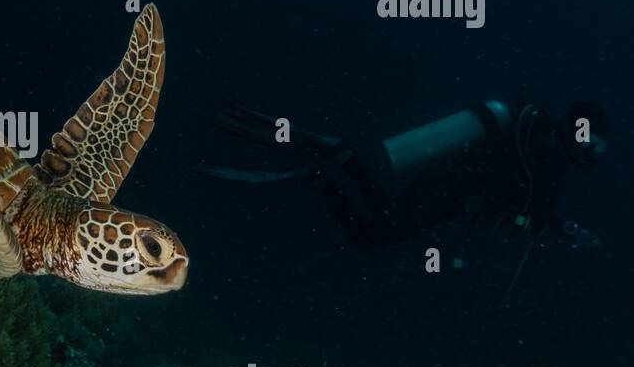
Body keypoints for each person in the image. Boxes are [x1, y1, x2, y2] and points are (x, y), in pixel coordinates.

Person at [194, 99, 607, 249]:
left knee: (372, 234)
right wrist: (562, 229)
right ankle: (340, 159)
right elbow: (534, 207)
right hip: (453, 190)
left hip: (451, 187)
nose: (592, 153)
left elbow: (534, 208)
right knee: (380, 231)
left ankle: (325, 177)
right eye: (594, 142)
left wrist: (561, 228)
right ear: (582, 132)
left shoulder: (540, 140)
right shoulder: (550, 154)